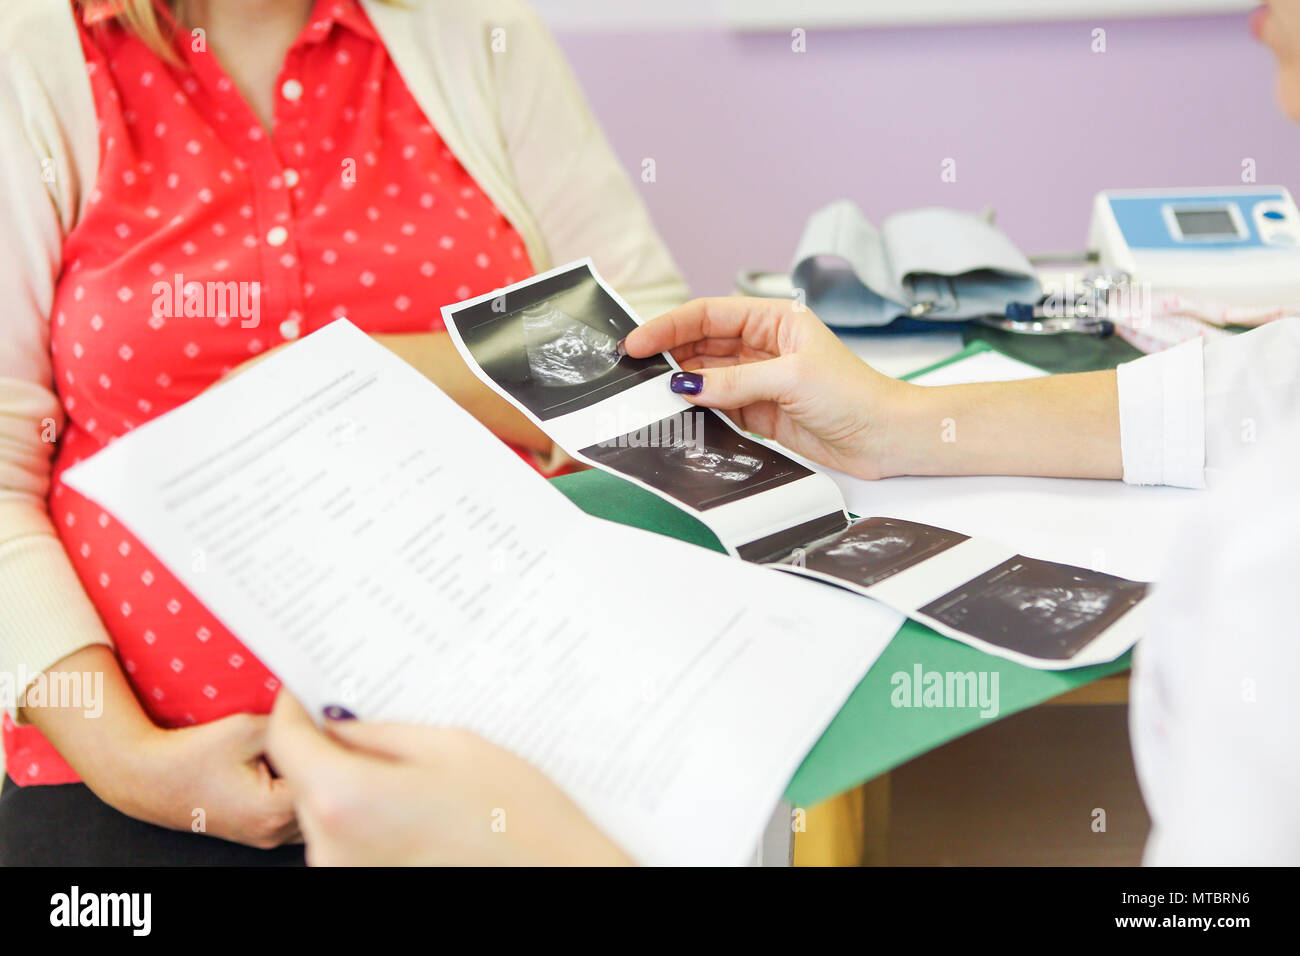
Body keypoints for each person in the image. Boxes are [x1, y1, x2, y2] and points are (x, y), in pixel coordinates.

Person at [266, 0, 1300, 866]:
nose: (1255, 21)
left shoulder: (1264, 559)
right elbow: (1255, 387)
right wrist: (897, 423)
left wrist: (556, 851)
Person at [0, 0, 685, 865]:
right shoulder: (31, 53)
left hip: (498, 772)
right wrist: (128, 764)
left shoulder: (476, 34)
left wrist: (363, 376)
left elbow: (652, 356)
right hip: (124, 792)